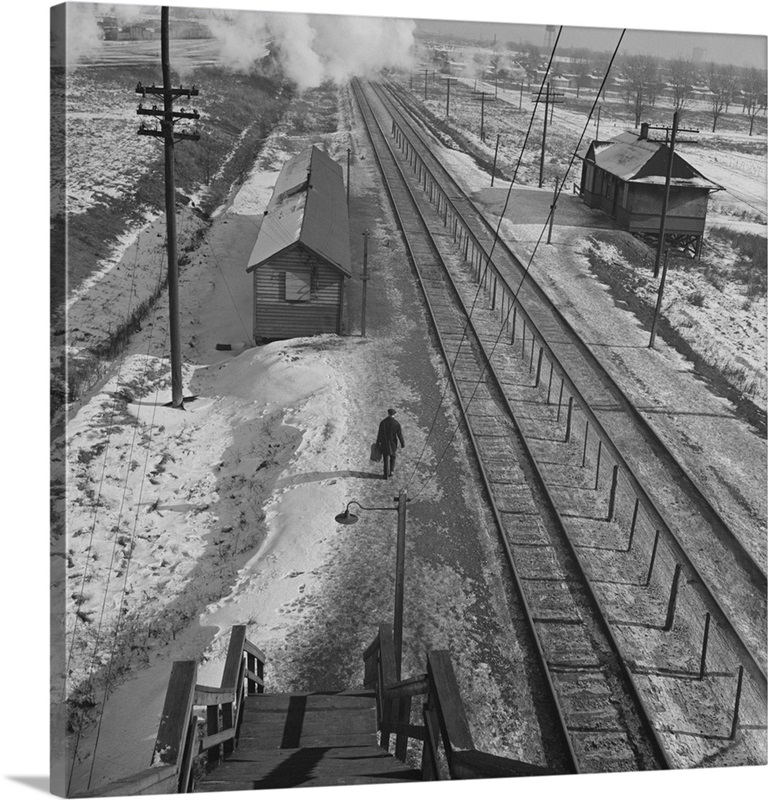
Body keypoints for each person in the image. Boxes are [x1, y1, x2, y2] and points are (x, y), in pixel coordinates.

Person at [376, 408, 405, 480]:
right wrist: (402, 443)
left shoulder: (383, 422)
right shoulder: (396, 424)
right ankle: (391, 471)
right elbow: (399, 435)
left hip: (384, 443)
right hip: (393, 444)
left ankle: (385, 475)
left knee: (385, 459)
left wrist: (377, 443)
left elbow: (380, 434)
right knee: (393, 457)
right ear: (394, 415)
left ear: (388, 414)